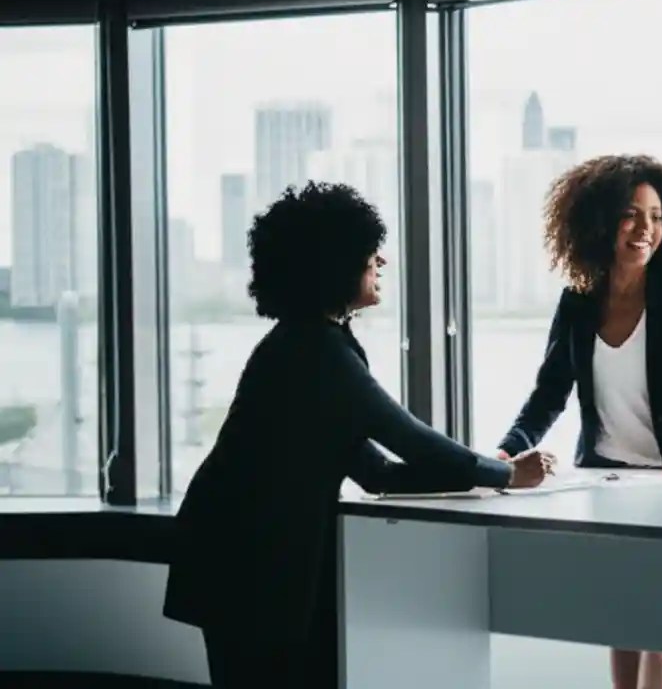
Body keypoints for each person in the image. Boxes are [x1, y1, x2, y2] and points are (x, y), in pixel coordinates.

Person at [162, 182, 552, 688]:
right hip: (245, 554)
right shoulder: (320, 352)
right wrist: (506, 474)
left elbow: (377, 473)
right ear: (335, 263)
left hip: (245, 548)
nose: (381, 260)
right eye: (370, 251)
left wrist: (485, 480)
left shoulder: (308, 342)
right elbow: (410, 439)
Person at [498, 154, 662, 688]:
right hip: (608, 483)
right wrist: (507, 451)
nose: (645, 230)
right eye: (630, 215)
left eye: (656, 217)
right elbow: (549, 394)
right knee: (622, 621)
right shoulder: (578, 302)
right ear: (600, 222)